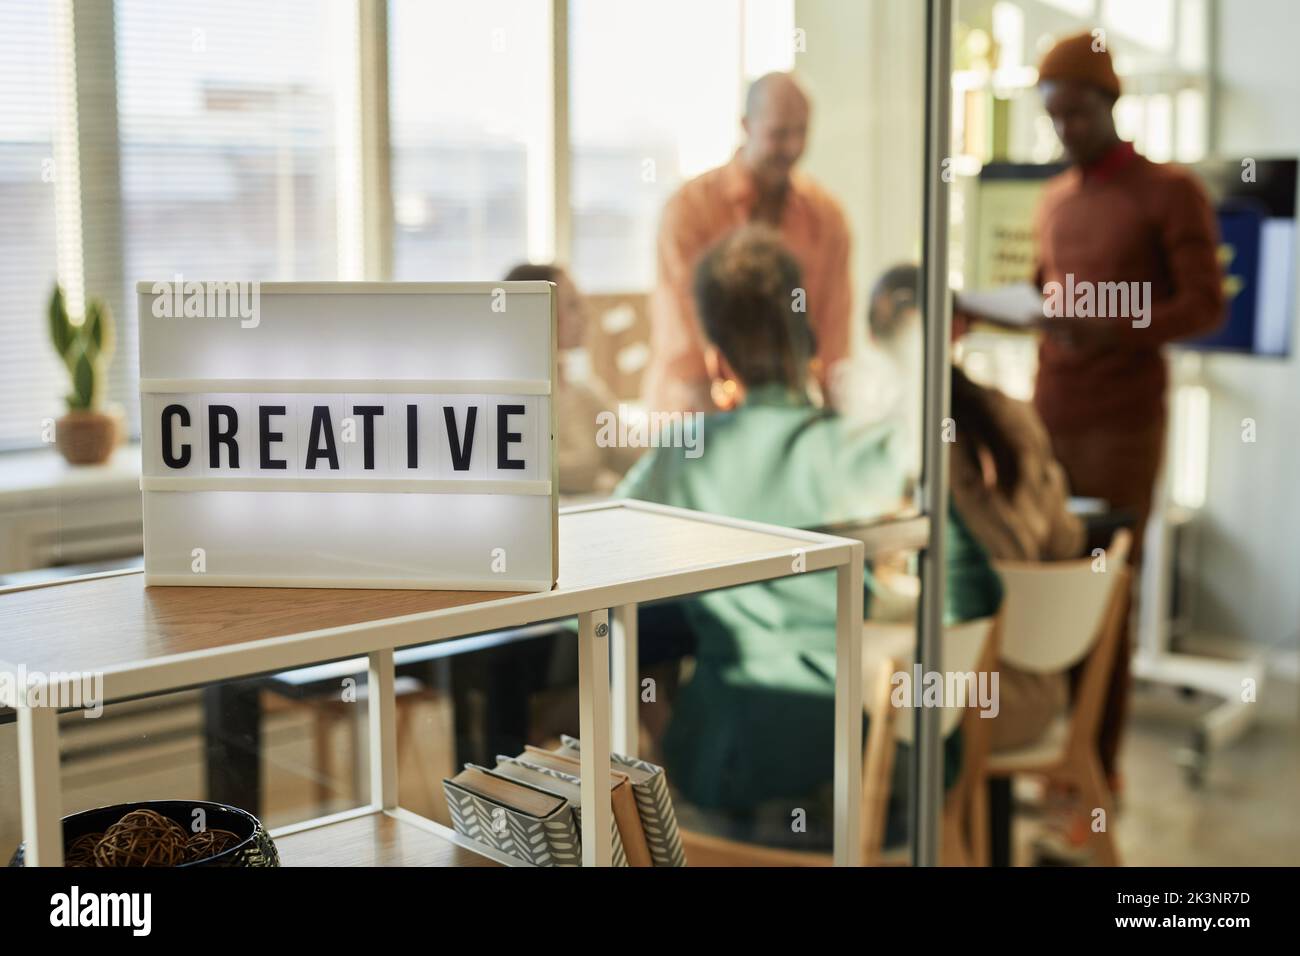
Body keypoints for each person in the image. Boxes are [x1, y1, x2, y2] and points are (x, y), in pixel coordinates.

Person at [615, 226, 1002, 849]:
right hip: (890, 787)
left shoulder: (683, 456)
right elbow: (975, 592)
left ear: (717, 361)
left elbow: (590, 582)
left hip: (730, 788)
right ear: (811, 337)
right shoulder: (871, 450)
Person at [1028, 33, 1226, 785]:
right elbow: (1043, 293)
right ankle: (1047, 752)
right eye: (1053, 116)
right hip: (1048, 414)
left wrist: (1114, 327)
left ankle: (1091, 771)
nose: (1065, 129)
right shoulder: (1053, 199)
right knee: (1044, 578)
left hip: (1123, 424)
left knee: (1105, 592)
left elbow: (1204, 305)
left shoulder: (1169, 192)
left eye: (1076, 113)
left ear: (1109, 103)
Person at [642, 72, 852, 414]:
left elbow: (832, 342)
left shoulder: (827, 219)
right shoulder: (690, 210)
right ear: (746, 125)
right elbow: (684, 338)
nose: (793, 147)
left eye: (802, 131)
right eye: (780, 133)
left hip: (786, 418)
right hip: (693, 418)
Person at [503, 263, 641, 494]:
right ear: (538, 313)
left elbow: (634, 454)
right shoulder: (508, 402)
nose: (586, 314)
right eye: (573, 305)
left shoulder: (583, 392)